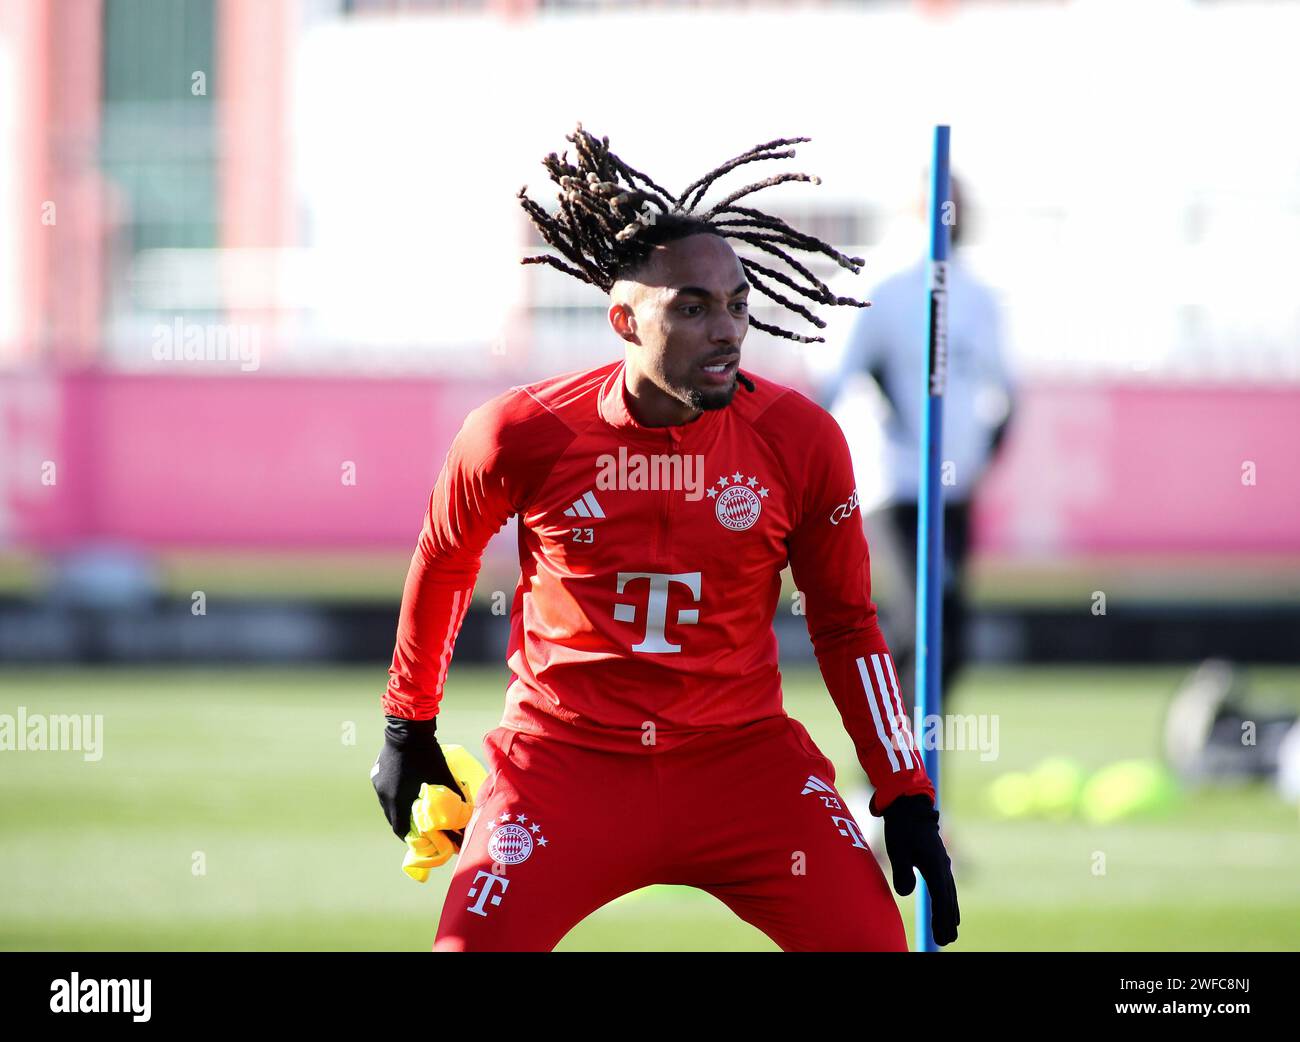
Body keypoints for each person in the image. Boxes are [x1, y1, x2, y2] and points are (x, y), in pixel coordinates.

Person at [370, 125, 958, 952]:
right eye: (692, 307)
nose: (727, 330)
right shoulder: (516, 434)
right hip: (562, 767)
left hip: (743, 767)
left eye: (737, 304)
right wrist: (408, 726)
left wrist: (904, 789)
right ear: (623, 319)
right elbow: (445, 561)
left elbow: (847, 624)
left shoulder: (800, 439)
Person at [817, 175, 1015, 716]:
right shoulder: (880, 284)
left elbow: (1004, 390)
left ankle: (922, 775)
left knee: (949, 633)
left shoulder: (977, 293)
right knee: (915, 622)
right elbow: (837, 377)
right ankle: (884, 778)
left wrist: (978, 462)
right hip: (894, 481)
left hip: (954, 488)